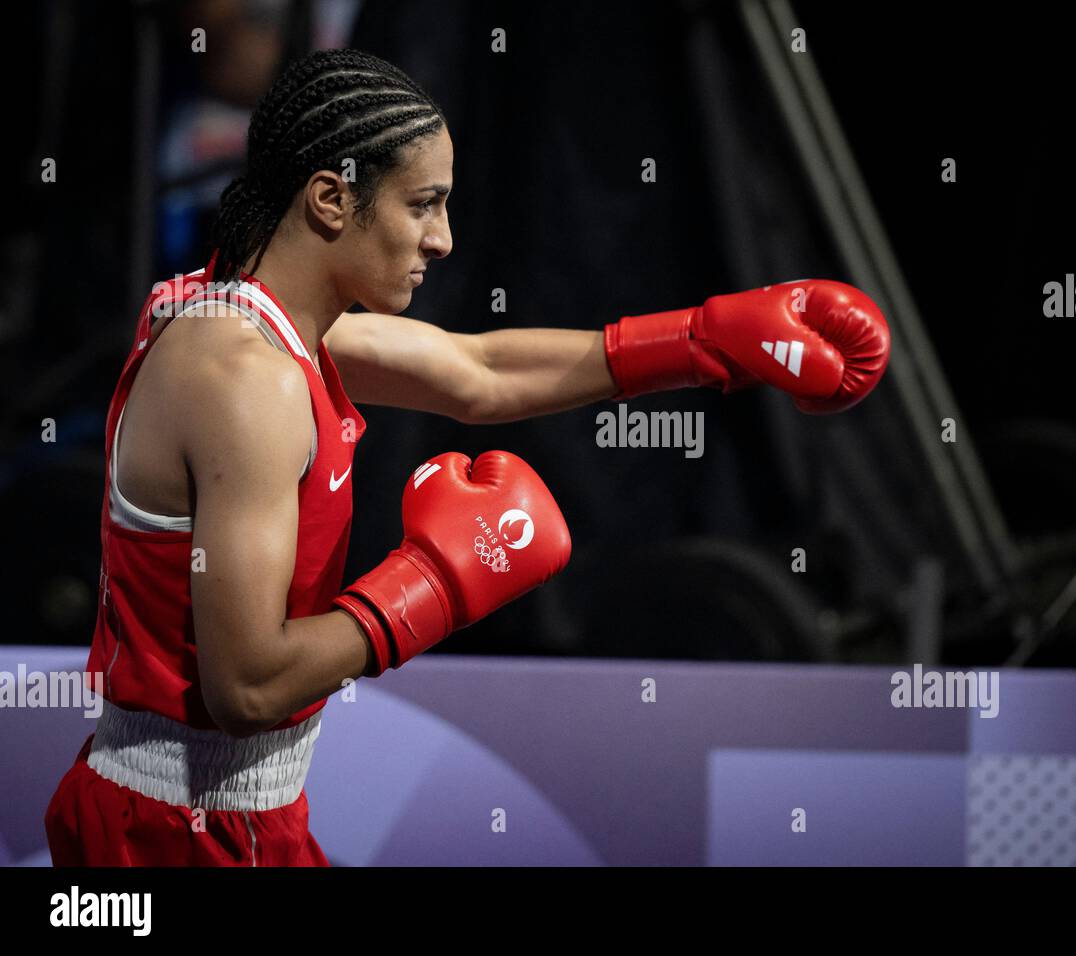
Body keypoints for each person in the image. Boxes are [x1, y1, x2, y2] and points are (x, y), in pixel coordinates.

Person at [44, 48, 891, 866]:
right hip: (172, 831)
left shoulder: (256, 322)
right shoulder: (244, 382)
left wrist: (703, 341)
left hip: (232, 813)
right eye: (423, 205)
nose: (443, 239)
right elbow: (249, 688)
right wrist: (433, 586)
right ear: (332, 199)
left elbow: (478, 372)